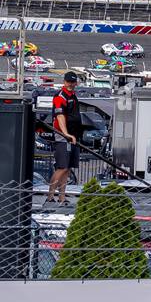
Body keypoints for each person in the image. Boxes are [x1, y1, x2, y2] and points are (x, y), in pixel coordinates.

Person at [46, 71, 83, 204]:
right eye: (68, 82)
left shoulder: (73, 95)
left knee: (67, 168)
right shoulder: (60, 96)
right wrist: (65, 134)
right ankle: (50, 196)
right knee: (62, 167)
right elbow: (60, 116)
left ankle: (62, 196)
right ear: (64, 81)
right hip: (63, 136)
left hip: (73, 136)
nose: (71, 84)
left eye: (73, 82)